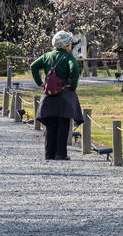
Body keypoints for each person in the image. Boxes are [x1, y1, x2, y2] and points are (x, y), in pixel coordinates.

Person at [30, 31, 84, 161]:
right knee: (63, 124)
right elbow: (74, 69)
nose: (71, 44)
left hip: (49, 94)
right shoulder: (68, 57)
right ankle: (60, 153)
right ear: (66, 44)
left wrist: (40, 83)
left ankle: (49, 154)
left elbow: (33, 66)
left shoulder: (47, 56)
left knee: (50, 124)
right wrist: (73, 85)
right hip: (64, 94)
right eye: (70, 42)